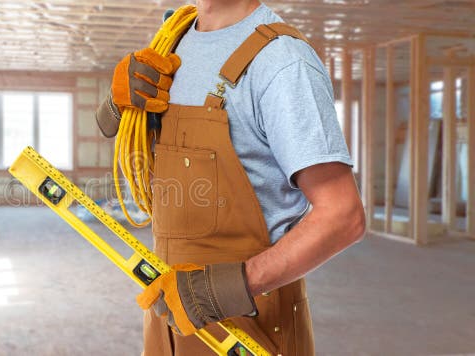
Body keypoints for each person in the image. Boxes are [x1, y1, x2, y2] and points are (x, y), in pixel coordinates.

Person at [95, 0, 365, 355]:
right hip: (170, 314)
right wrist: (114, 106)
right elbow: (134, 133)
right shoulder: (172, 40)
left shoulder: (282, 61)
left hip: (248, 324)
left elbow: (343, 216)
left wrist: (222, 290)